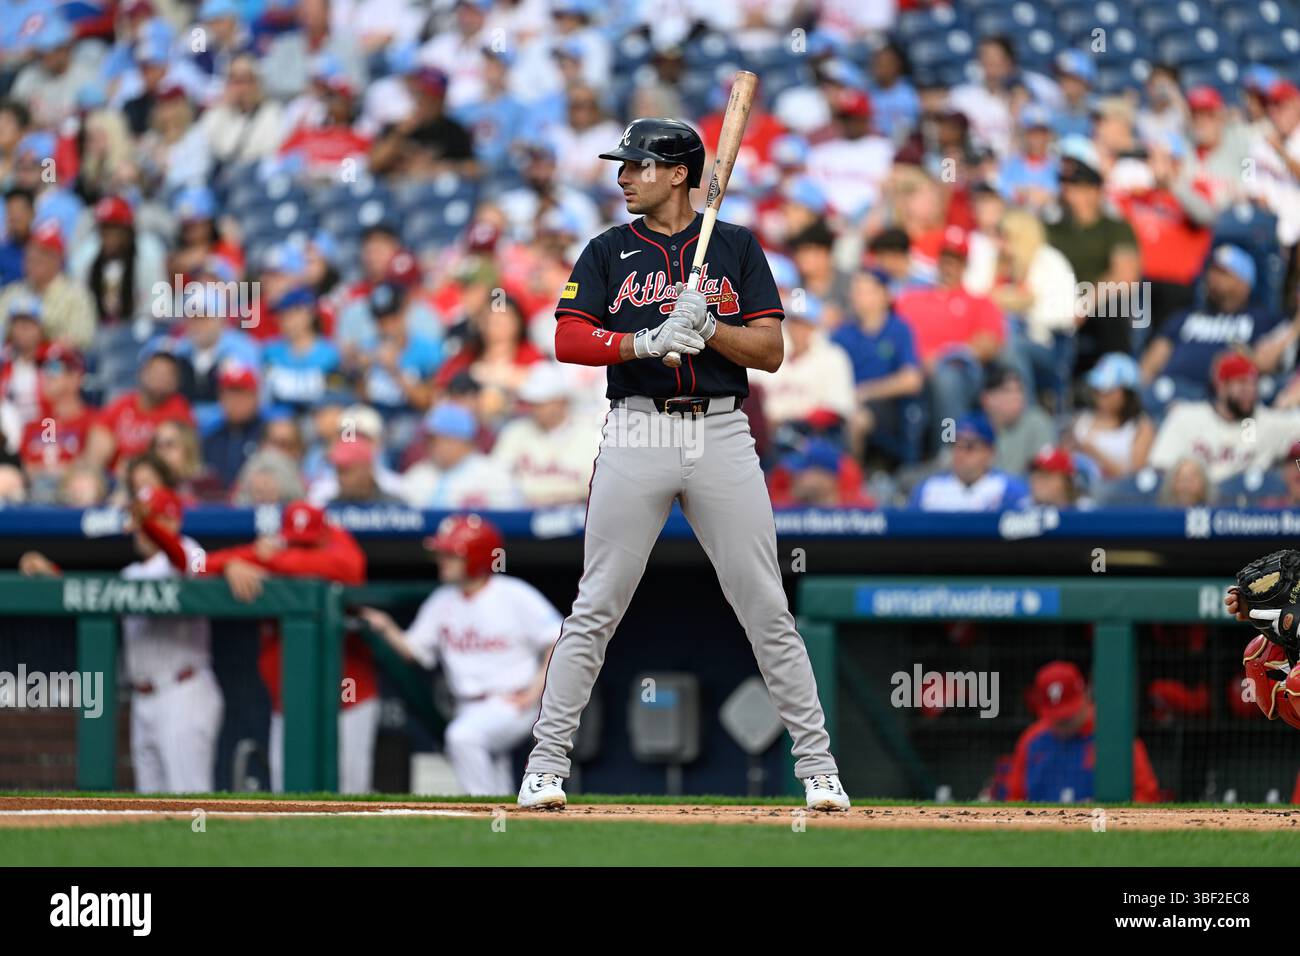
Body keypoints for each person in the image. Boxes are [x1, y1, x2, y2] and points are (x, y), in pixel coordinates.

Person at [525, 117, 848, 811]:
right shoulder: (608, 249)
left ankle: (819, 769)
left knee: (764, 607)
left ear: (678, 174)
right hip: (636, 432)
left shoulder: (735, 246)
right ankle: (546, 765)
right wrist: (644, 342)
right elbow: (568, 339)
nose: (624, 176)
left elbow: (768, 352)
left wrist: (710, 329)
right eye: (623, 165)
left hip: (722, 433)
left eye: (638, 165)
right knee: (596, 606)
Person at [19, 479, 224, 793]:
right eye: (139, 520)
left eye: (149, 519)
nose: (139, 529)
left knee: (191, 802)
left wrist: (152, 526)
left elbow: (181, 560)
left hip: (184, 692)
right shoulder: (133, 573)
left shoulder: (190, 551)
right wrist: (51, 574)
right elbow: (97, 597)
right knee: (151, 810)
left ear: (172, 521)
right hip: (143, 700)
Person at [360, 514, 561, 796]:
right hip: (467, 706)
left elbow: (558, 639)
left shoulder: (513, 594)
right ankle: (507, 825)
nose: (442, 560)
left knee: (463, 738)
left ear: (476, 557)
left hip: (511, 702)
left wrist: (536, 691)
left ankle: (484, 811)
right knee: (489, 761)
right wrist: (386, 626)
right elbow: (414, 651)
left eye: (450, 555)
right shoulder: (442, 600)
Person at [1143, 245, 1297, 408]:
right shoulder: (1184, 316)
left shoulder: (1262, 320)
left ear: (1244, 283)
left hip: (1225, 405)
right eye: (1211, 271)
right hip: (1170, 396)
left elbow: (1265, 363)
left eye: (1223, 273)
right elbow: (1149, 365)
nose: (1212, 277)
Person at [1003, 661, 1160, 802]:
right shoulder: (1032, 739)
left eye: (1068, 716)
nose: (1063, 723)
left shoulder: (1112, 735)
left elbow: (1147, 796)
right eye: (1056, 718)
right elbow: (1014, 798)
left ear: (1085, 695)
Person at [1150, 352, 1300, 484]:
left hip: (1248, 510)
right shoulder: (1186, 417)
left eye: (1253, 385)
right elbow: (1161, 469)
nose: (1249, 392)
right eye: (1242, 384)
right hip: (1196, 506)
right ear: (1221, 386)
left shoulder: (1268, 422)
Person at [490, 363, 600, 506]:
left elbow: (597, 486)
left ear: (562, 401)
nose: (536, 409)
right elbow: (495, 478)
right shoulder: (515, 432)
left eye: (542, 402)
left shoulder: (589, 433)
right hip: (524, 512)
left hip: (578, 510)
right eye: (533, 403)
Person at [399, 402, 517, 509]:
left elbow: (511, 520)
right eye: (430, 440)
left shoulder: (493, 474)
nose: (432, 446)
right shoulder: (418, 474)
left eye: (440, 440)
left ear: (462, 441)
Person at [909, 412, 1028, 512]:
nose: (961, 453)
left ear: (990, 453)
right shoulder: (929, 489)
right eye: (956, 444)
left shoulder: (1009, 490)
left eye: (970, 446)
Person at [1069, 353, 1155, 480]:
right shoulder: (1082, 420)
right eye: (1097, 389)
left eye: (1108, 390)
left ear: (1127, 393)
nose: (1101, 395)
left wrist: (1095, 453)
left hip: (1115, 497)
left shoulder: (1141, 426)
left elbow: (1135, 481)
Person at [979, 365, 1055, 476]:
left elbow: (1046, 470)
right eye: (1007, 391)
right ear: (987, 399)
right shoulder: (975, 427)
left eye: (1019, 390)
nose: (1016, 396)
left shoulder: (1037, 421)